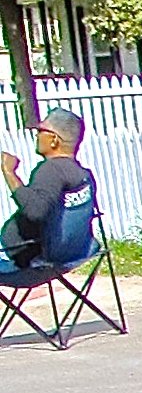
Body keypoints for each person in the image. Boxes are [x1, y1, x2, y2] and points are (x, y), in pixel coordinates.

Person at [0, 108, 92, 274]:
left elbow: (35, 212)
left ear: (54, 140)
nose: (37, 135)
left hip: (37, 258)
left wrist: (9, 173)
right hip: (78, 252)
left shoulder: (51, 169)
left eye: (41, 131)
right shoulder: (82, 175)